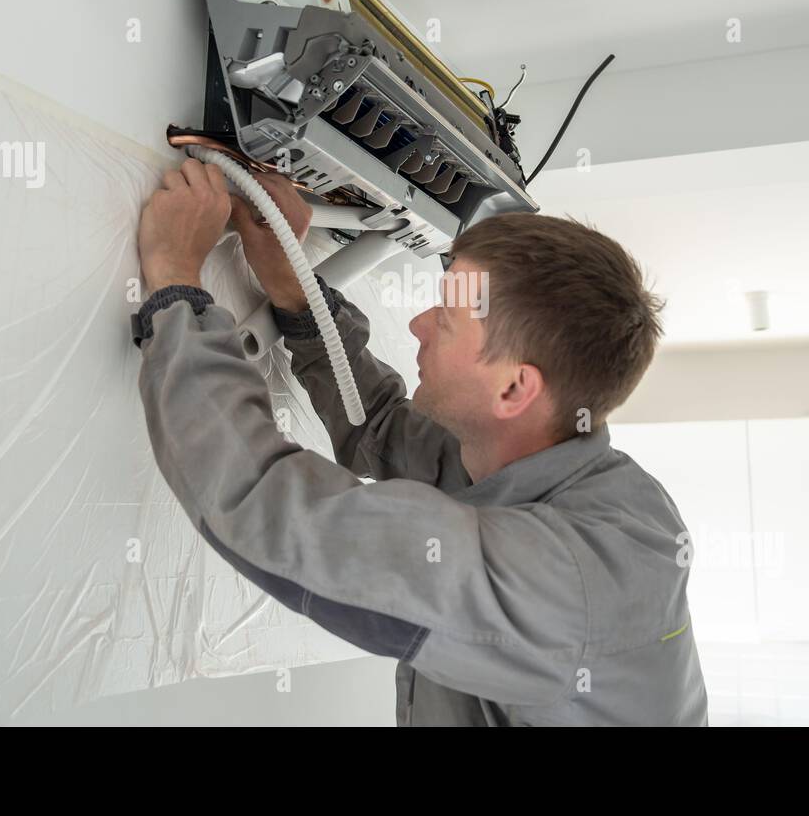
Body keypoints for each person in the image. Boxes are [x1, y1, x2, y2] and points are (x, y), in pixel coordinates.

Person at [133, 157, 707, 725]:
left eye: (447, 318)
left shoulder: (566, 587)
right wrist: (292, 280)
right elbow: (379, 428)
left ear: (514, 389)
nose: (417, 324)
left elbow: (269, 512)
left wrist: (175, 284)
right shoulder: (548, 464)